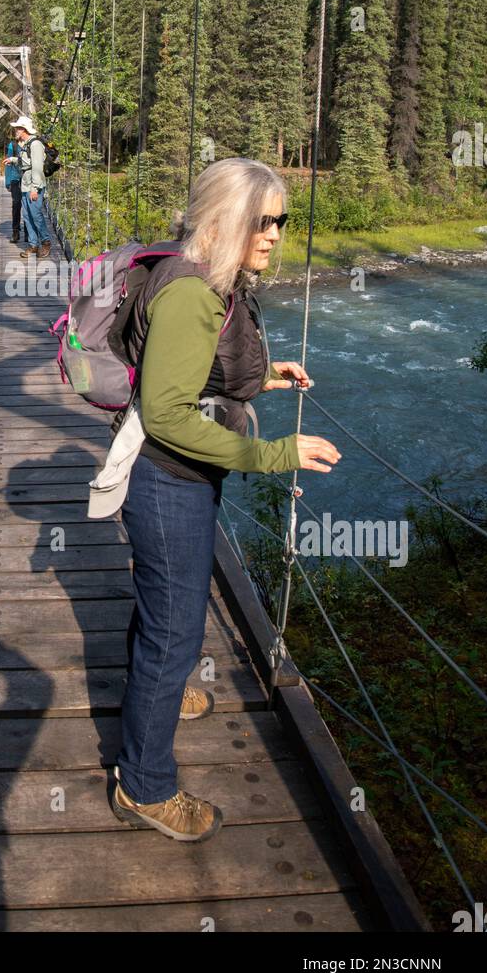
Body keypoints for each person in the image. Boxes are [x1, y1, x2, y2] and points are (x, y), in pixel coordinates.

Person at [111, 157, 341, 842]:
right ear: (221, 220)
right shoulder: (191, 294)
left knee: (167, 615)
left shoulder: (209, 276)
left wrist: (264, 378)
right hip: (167, 483)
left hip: (179, 481)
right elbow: (169, 414)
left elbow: (195, 367)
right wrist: (273, 455)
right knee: (175, 627)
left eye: (280, 221)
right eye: (261, 221)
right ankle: (143, 787)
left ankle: (164, 682)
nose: (273, 234)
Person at [5, 115, 52, 260]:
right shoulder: (26, 144)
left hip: (33, 185)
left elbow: (37, 167)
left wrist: (35, 188)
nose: (15, 131)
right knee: (27, 216)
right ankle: (33, 245)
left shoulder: (35, 144)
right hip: (25, 184)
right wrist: (13, 160)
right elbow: (25, 161)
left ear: (24, 129)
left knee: (36, 215)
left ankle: (45, 242)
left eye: (18, 128)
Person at [4, 131, 23, 243]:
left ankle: (28, 233)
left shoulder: (31, 144)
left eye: (18, 129)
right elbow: (8, 164)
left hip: (28, 179)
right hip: (15, 179)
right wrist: (8, 182)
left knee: (28, 206)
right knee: (16, 204)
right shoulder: (13, 145)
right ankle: (15, 232)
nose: (16, 132)